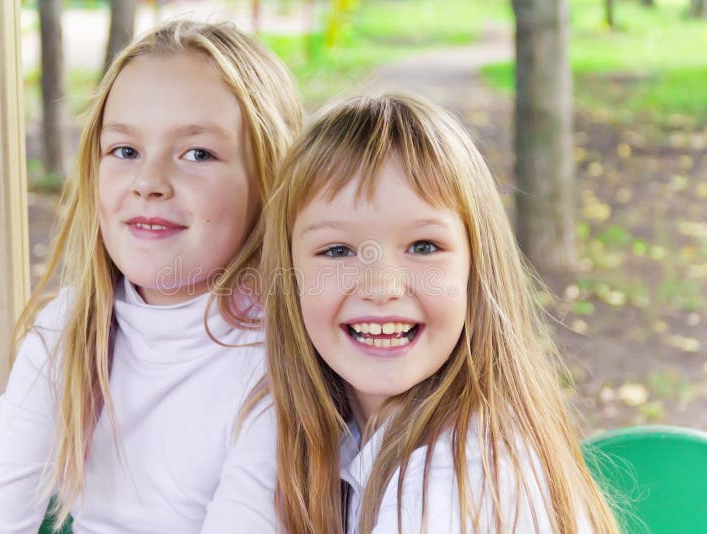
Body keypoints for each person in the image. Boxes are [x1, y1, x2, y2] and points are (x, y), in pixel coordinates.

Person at [0, 19, 301, 534]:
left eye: (197, 154)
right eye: (125, 151)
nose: (148, 182)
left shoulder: (280, 355)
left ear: (270, 180)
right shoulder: (70, 326)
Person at [261, 93, 620, 533]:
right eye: (337, 250)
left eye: (423, 246)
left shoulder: (445, 487)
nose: (381, 288)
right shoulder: (350, 437)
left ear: (477, 266)